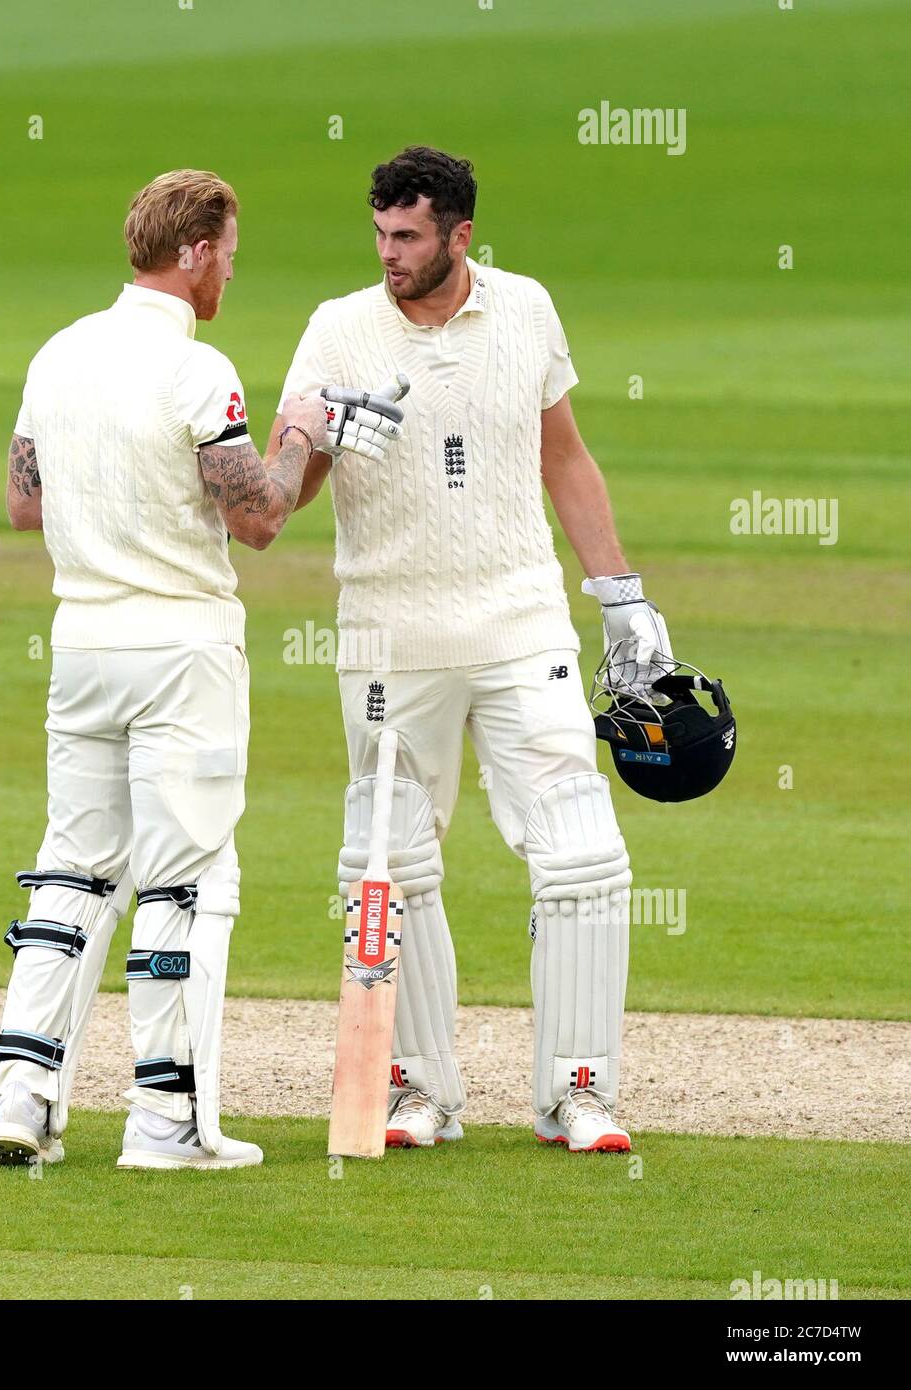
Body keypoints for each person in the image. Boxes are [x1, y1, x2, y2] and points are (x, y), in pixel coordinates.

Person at [0, 169, 399, 1171]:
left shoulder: (58, 353)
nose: (230, 277)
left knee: (73, 870)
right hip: (181, 653)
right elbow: (256, 519)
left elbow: (24, 505)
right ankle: (167, 1121)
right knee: (188, 879)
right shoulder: (198, 373)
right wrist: (304, 431)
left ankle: (22, 1090)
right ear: (197, 251)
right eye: (229, 257)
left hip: (80, 647)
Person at [272, 146, 674, 1153]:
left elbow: (563, 454)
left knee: (580, 852)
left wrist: (618, 594)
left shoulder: (525, 309)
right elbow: (286, 490)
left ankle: (577, 1092)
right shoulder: (336, 328)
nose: (388, 254)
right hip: (386, 634)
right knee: (394, 860)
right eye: (377, 234)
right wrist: (317, 434)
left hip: (519, 622)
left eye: (406, 236)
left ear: (459, 235)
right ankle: (416, 1091)